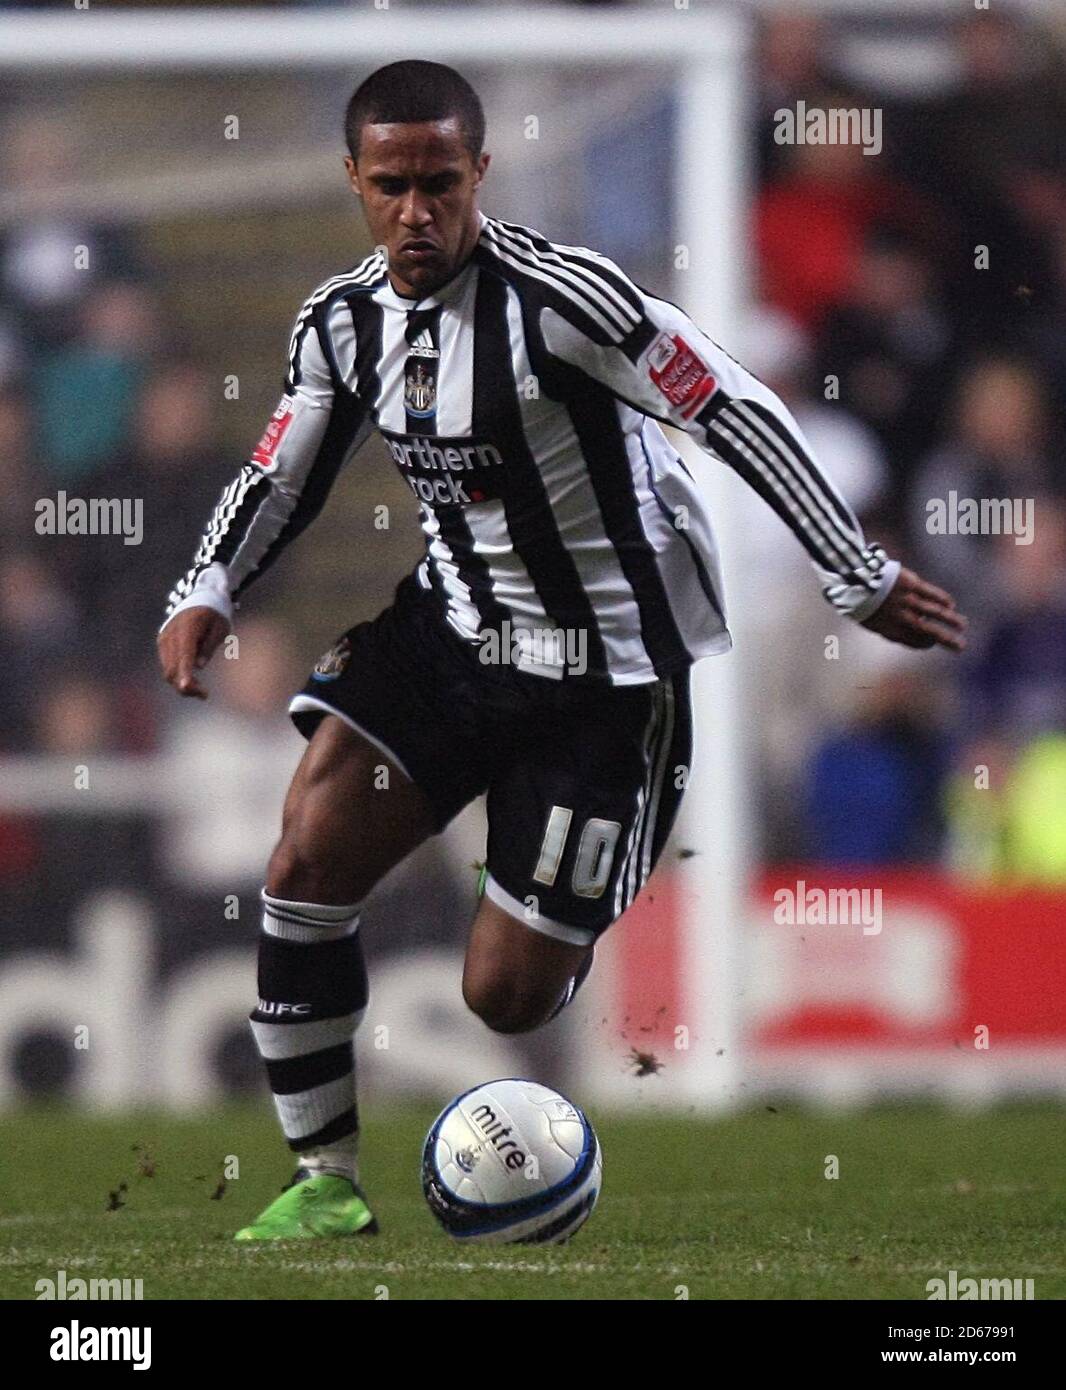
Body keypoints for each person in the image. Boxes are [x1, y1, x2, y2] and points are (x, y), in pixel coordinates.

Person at [156, 61, 967, 1241]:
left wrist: (855, 568)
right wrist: (208, 585)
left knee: (503, 994)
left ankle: (552, 885)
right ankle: (325, 1179)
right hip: (453, 635)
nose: (417, 211)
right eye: (391, 186)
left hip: (607, 674)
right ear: (354, 182)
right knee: (305, 859)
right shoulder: (341, 323)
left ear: (480, 171)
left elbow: (730, 402)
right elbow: (281, 469)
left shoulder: (566, 301)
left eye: (441, 182)